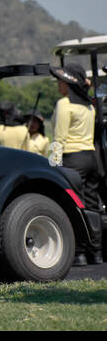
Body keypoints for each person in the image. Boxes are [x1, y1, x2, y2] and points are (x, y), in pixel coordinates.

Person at [48, 63, 102, 264]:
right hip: (91, 158)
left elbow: (60, 137)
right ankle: (95, 253)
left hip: (72, 159)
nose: (58, 85)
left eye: (60, 81)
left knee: (74, 205)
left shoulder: (64, 104)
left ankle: (78, 253)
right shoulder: (88, 105)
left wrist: (52, 164)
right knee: (92, 204)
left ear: (68, 84)